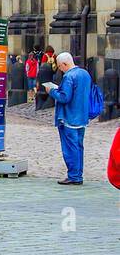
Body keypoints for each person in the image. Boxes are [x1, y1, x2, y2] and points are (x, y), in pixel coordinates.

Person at [43, 51, 92, 186]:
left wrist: (51, 91)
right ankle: (78, 174)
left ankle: (74, 176)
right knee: (79, 147)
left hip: (69, 117)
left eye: (60, 66)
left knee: (70, 148)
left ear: (64, 64)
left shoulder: (69, 76)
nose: (60, 69)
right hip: (81, 117)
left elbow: (65, 97)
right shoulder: (84, 74)